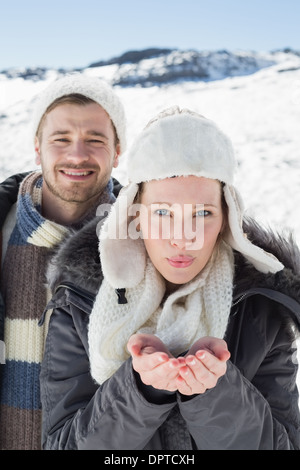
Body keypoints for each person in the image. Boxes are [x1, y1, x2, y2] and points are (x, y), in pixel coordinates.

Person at [40, 106, 300, 450]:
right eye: (163, 212)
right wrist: (139, 391)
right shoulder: (77, 300)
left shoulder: (262, 308)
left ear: (227, 217)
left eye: (203, 213)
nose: (182, 236)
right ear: (135, 215)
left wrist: (215, 393)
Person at [0, 73, 127, 450]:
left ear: (117, 151)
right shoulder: (3, 230)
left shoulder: (146, 244)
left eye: (95, 140)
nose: (77, 155)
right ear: (37, 147)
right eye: (61, 140)